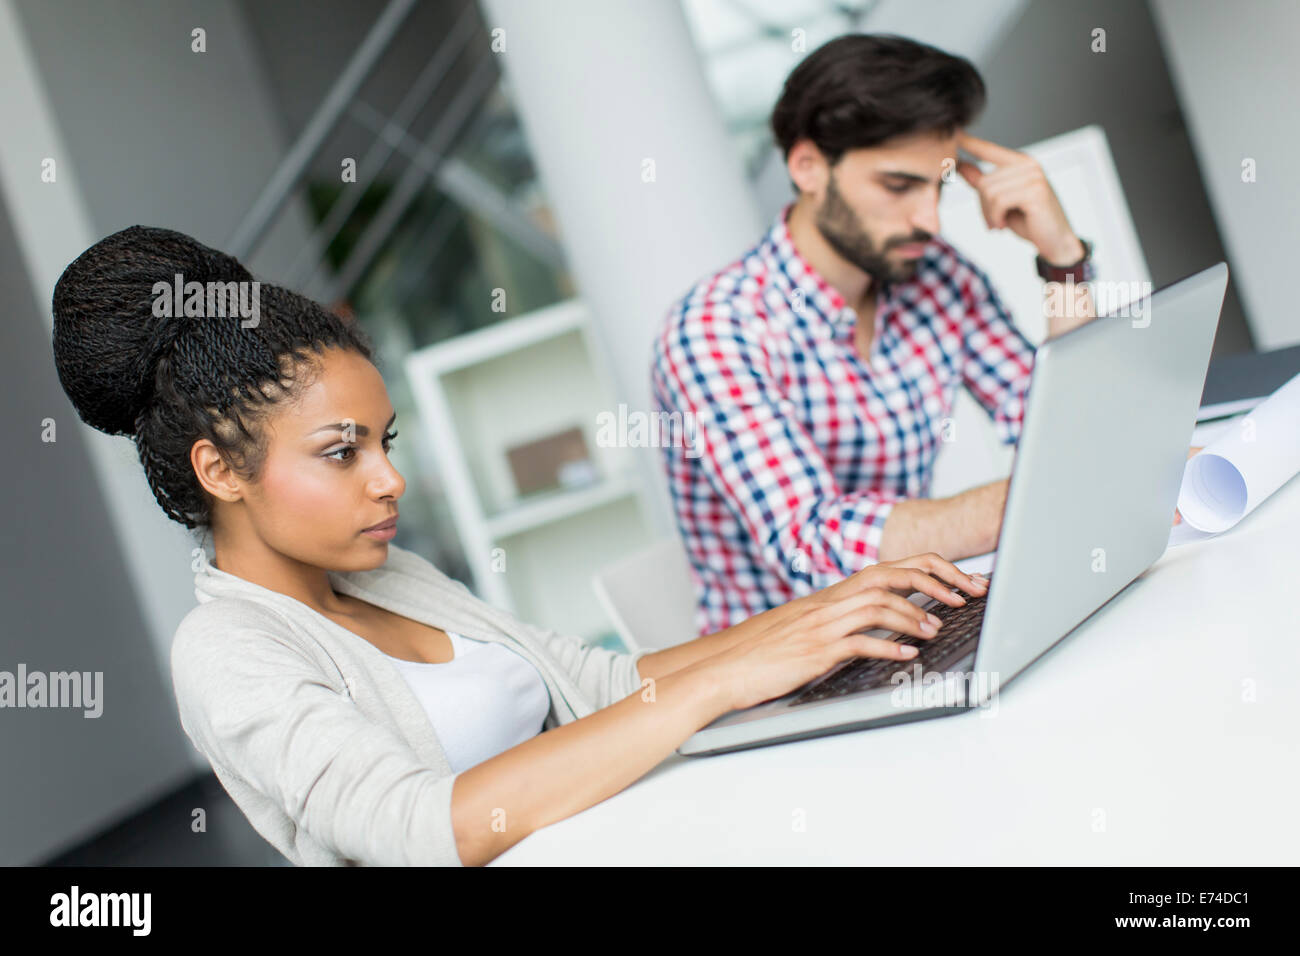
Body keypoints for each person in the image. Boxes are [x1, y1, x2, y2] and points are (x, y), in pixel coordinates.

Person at [50, 224, 988, 866]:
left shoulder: (392, 576)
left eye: (387, 443)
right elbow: (418, 826)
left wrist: (826, 612)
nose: (388, 480)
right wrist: (723, 681)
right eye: (342, 453)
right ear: (222, 471)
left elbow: (600, 688)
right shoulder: (227, 653)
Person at [652, 33, 1126, 636]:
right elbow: (816, 546)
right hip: (784, 677)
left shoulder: (935, 276)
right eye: (899, 187)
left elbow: (1069, 425)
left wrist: (1062, 260)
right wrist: (1040, 493)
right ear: (808, 168)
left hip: (918, 621)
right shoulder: (716, 328)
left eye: (940, 186)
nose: (929, 219)